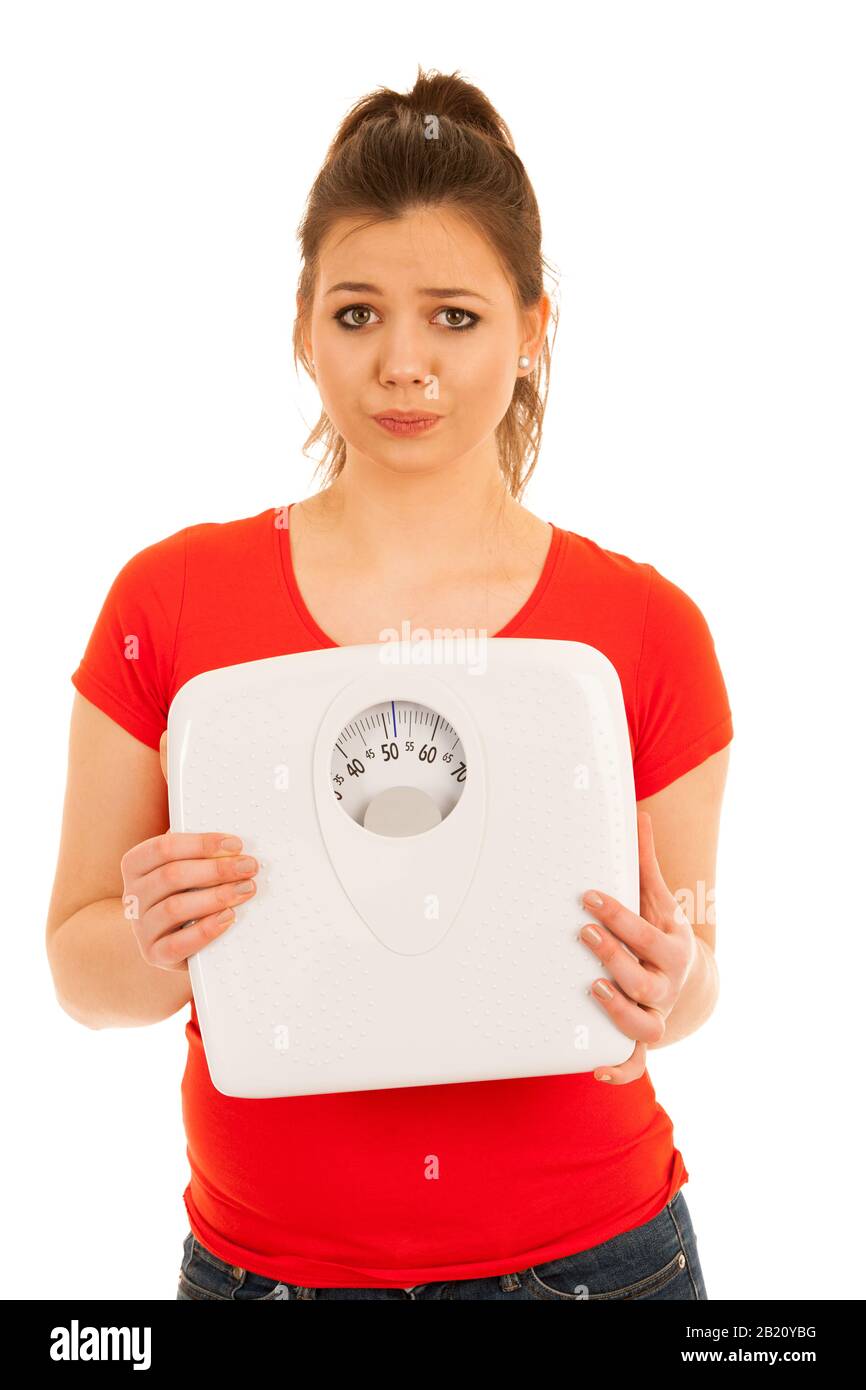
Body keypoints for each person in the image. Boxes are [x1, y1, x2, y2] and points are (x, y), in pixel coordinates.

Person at [46, 67, 732, 1301]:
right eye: (357, 313)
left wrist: (670, 979)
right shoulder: (166, 603)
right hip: (266, 1275)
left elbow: (685, 978)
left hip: (599, 1267)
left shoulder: (648, 629)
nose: (401, 363)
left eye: (454, 317)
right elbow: (78, 964)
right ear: (303, 322)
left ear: (532, 329)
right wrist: (160, 940)